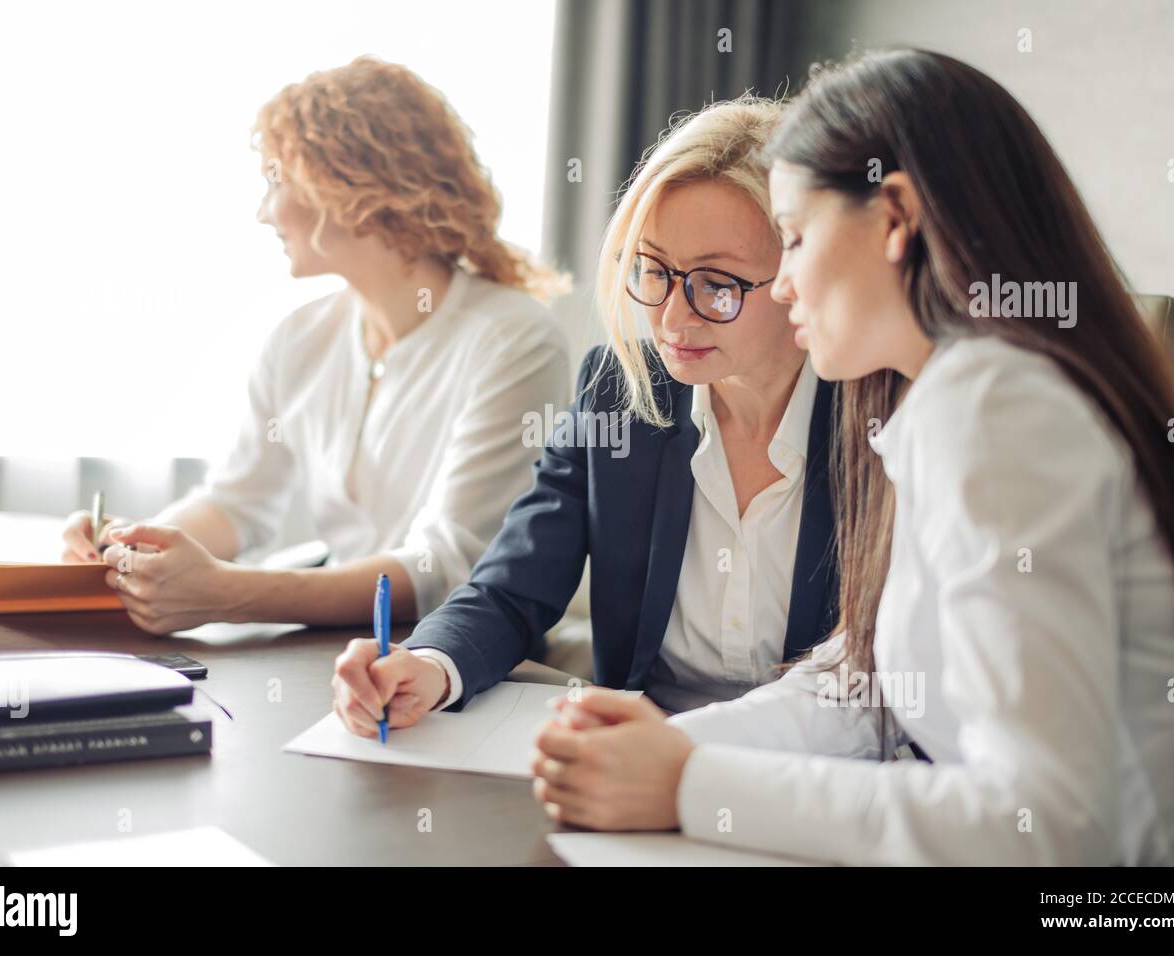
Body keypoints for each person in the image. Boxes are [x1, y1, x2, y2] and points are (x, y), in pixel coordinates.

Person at [530, 49, 1174, 866]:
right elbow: (865, 685)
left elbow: (1047, 825)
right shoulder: (947, 392)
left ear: (894, 217)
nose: (781, 284)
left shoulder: (1003, 412)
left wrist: (689, 785)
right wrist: (675, 748)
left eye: (791, 238)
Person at [330, 97, 841, 737]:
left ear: (801, 275)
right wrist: (429, 665)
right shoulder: (617, 393)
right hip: (632, 774)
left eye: (718, 285)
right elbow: (515, 585)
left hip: (815, 774)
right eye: (654, 270)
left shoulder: (879, 415)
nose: (672, 320)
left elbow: (870, 683)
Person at [59, 56, 569, 634]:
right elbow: (237, 502)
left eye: (275, 183)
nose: (263, 213)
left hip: (451, 657)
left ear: (349, 188)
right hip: (333, 644)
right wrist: (132, 548)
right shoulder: (300, 338)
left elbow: (447, 568)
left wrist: (230, 594)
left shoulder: (514, 340)